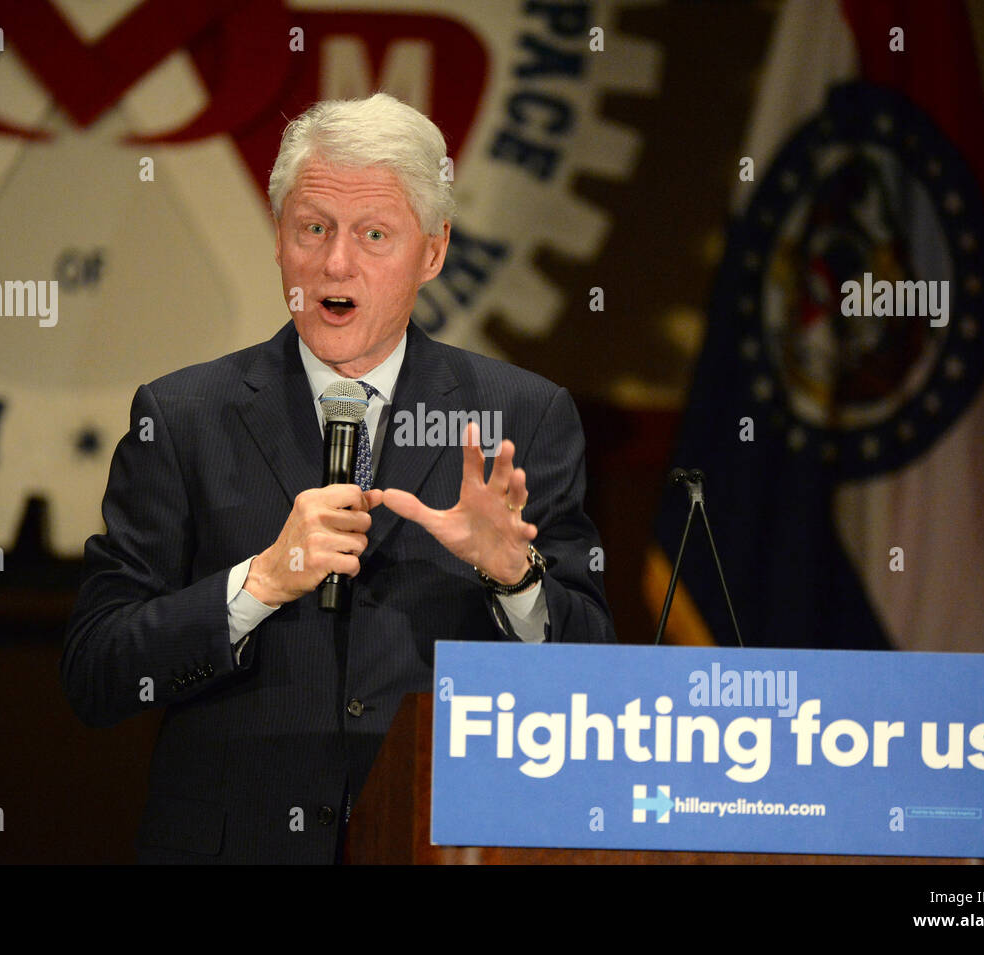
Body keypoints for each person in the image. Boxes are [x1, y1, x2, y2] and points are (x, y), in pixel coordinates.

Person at [62, 92, 615, 864]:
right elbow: (97, 670)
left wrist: (515, 578)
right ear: (280, 239)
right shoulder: (183, 415)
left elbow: (597, 681)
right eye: (312, 228)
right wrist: (257, 582)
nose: (335, 263)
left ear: (432, 251)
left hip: (440, 841)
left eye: (374, 234)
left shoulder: (521, 416)